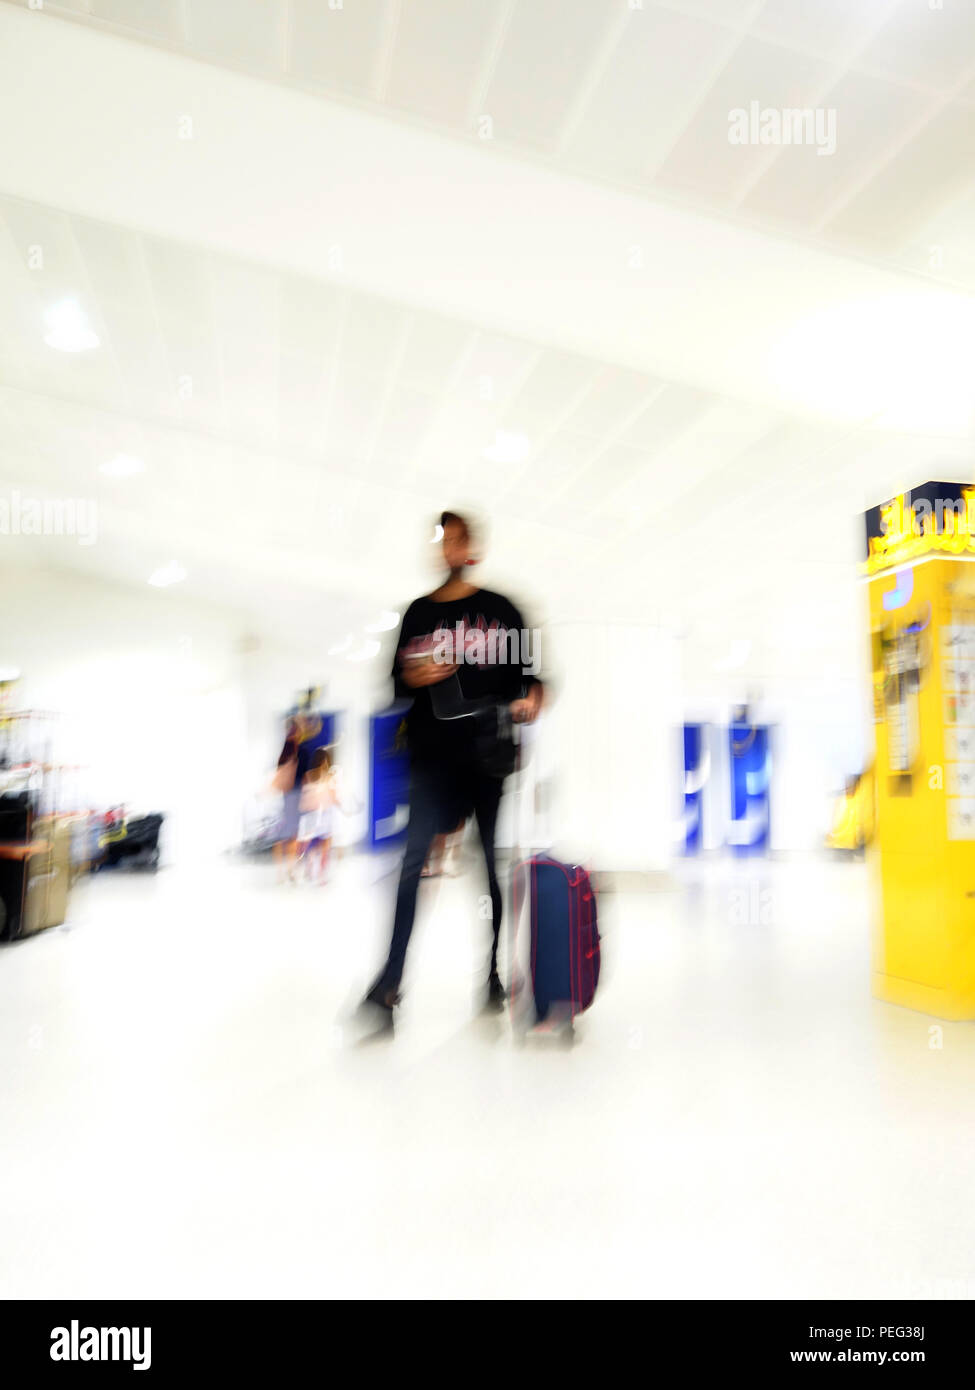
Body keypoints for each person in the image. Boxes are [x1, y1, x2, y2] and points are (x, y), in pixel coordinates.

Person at [361, 509, 543, 1029]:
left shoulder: (503, 610)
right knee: (412, 862)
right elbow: (393, 686)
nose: (447, 548)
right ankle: (390, 982)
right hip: (431, 760)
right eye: (441, 540)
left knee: (490, 868)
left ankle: (490, 975)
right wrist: (417, 673)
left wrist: (531, 698)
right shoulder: (417, 614)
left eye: (456, 539)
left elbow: (531, 679)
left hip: (486, 761)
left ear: (472, 550)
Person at [297, 747, 337, 883]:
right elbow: (332, 795)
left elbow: (305, 794)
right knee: (321, 844)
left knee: (316, 844)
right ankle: (318, 873)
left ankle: (314, 871)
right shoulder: (323, 776)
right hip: (321, 813)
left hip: (314, 813)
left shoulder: (308, 776)